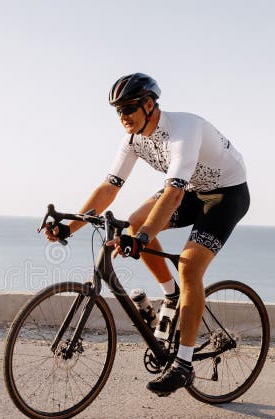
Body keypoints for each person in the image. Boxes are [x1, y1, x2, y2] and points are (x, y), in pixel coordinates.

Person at [44, 73, 250, 396]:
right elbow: (108, 188)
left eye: (128, 108)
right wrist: (70, 226)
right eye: (118, 111)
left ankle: (183, 365)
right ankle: (171, 296)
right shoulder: (133, 140)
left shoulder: (183, 132)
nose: (123, 117)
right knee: (134, 225)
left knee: (189, 267)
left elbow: (172, 196)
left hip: (227, 195)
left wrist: (140, 239)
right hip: (193, 190)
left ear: (149, 105)